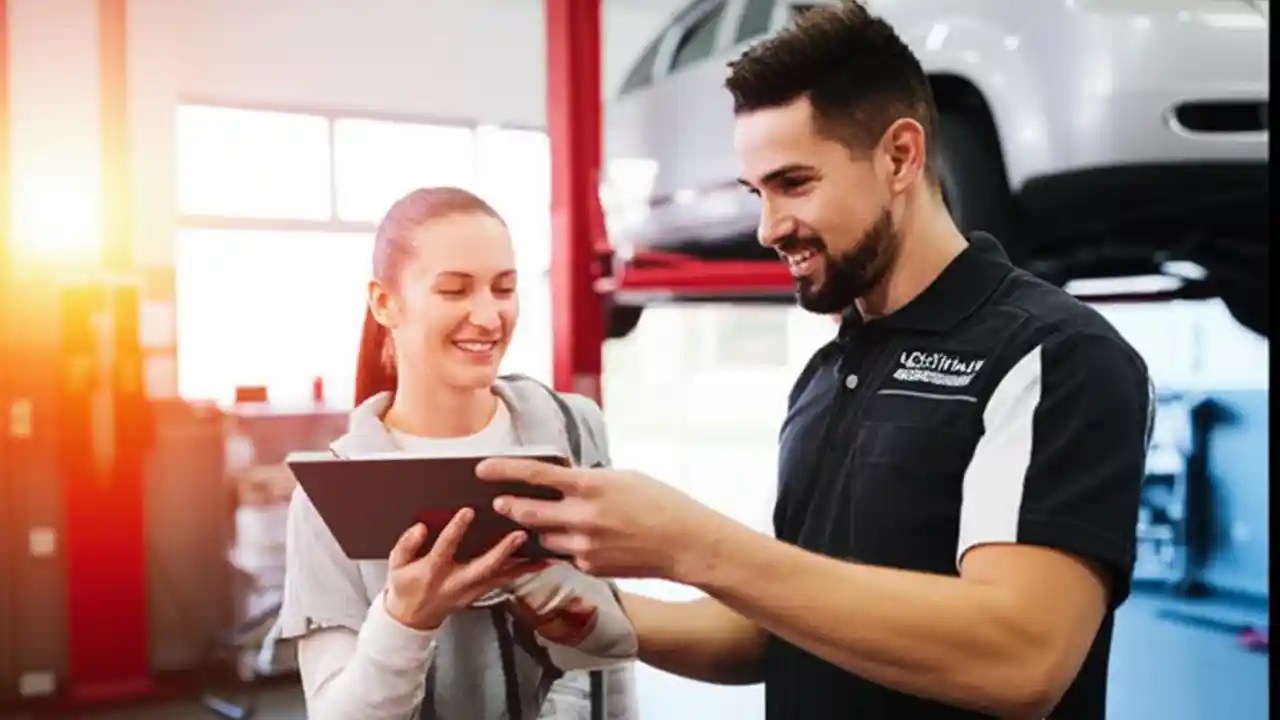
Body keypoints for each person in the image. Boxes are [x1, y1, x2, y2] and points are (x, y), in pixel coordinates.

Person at [476, 4, 1154, 719]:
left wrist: (689, 544)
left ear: (900, 157)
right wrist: (596, 613)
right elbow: (786, 626)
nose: (768, 228)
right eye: (758, 193)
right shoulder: (830, 373)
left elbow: (1021, 659)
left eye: (795, 184)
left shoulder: (1054, 355)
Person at [274, 187, 640, 720]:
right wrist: (404, 621)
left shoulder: (573, 429)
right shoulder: (327, 498)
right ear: (384, 303)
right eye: (454, 290)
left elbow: (610, 669)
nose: (489, 317)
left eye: (504, 288)